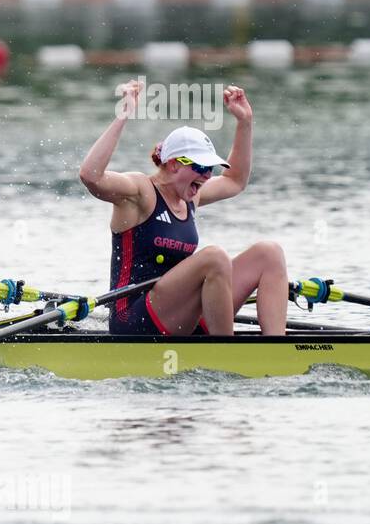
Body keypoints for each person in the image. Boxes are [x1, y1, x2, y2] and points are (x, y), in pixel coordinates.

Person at [79, 80, 287, 336]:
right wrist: (123, 115)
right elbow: (91, 176)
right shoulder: (140, 193)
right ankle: (227, 352)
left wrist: (244, 123)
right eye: (200, 168)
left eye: (210, 169)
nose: (207, 176)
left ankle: (277, 346)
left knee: (269, 253)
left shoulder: (190, 197)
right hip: (133, 320)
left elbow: (235, 181)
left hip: (179, 315)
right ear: (175, 164)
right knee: (215, 257)